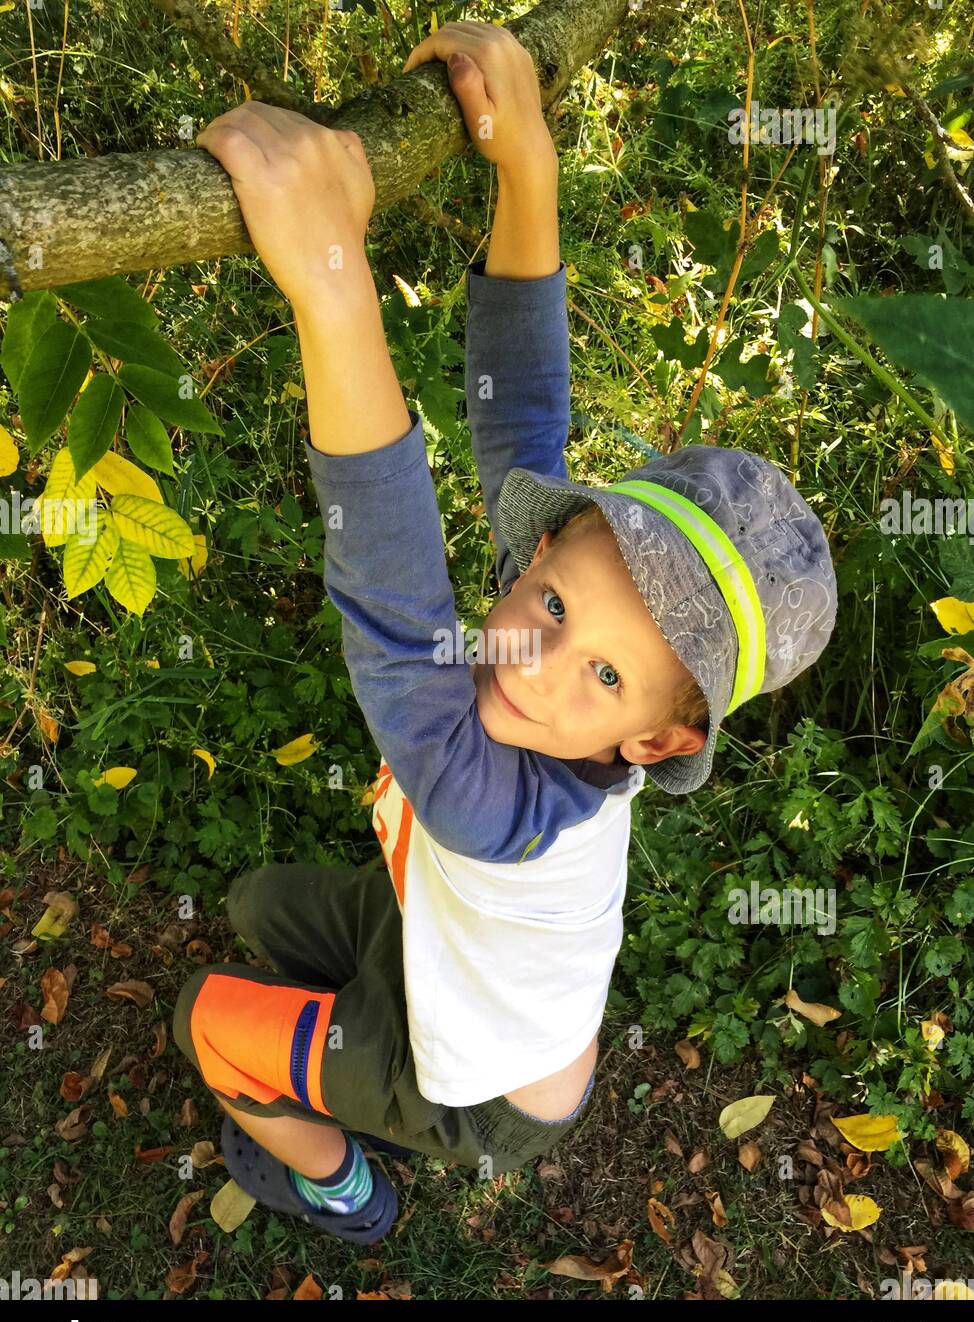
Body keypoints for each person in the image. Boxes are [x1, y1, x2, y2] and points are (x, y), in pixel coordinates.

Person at [173, 21, 837, 1245]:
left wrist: (330, 274)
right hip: (438, 934)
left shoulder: (497, 803)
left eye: (599, 673)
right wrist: (524, 166)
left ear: (653, 739)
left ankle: (341, 1186)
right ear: (542, 554)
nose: (531, 658)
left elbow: (389, 600)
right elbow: (517, 421)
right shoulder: (556, 663)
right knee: (258, 899)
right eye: (552, 603)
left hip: (480, 1086)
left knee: (208, 1020)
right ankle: (350, 1023)